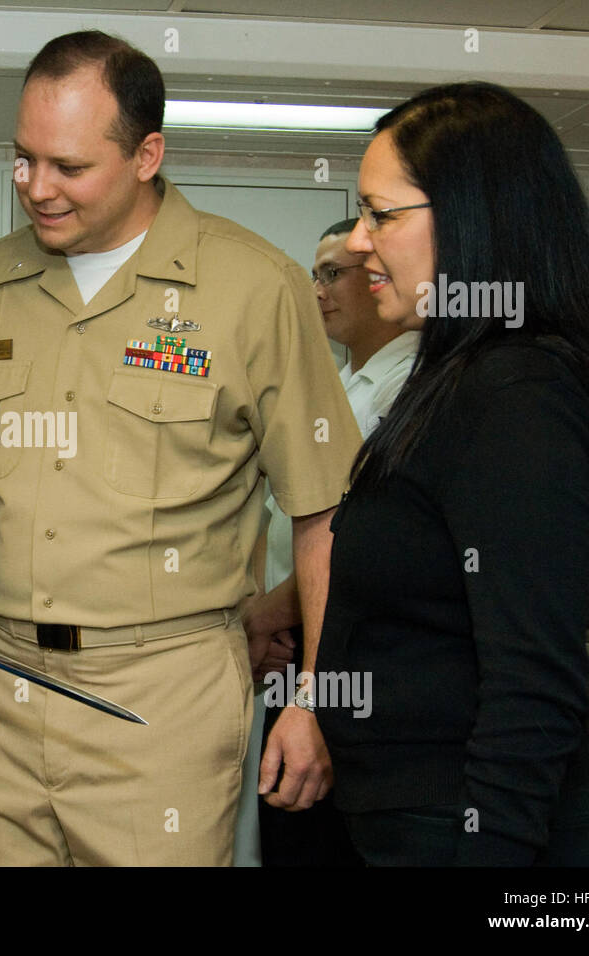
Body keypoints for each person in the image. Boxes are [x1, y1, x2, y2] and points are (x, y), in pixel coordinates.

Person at [0, 30, 361, 866]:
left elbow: (322, 508)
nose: (37, 188)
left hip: (165, 695)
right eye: (23, 159)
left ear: (148, 153)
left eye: (68, 167)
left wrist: (314, 698)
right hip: (4, 677)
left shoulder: (253, 288)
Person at [316, 81, 589, 866]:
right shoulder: (459, 375)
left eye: (380, 214)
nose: (360, 242)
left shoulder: (519, 395)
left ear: (472, 217)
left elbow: (531, 690)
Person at [238, 217, 418, 866]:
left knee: (326, 842)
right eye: (314, 275)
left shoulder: (410, 394)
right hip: (291, 654)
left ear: (381, 277)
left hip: (353, 668)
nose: (318, 291)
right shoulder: (334, 384)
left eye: (333, 274)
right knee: (285, 830)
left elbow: (367, 540)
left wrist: (270, 614)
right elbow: (274, 517)